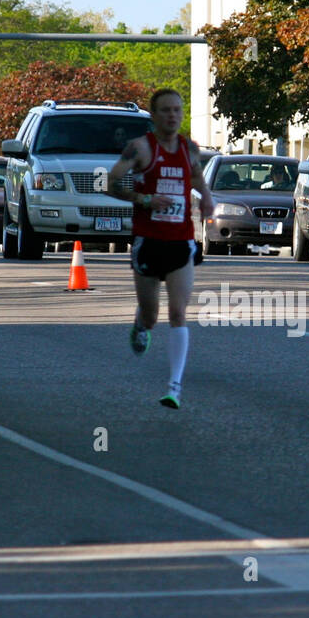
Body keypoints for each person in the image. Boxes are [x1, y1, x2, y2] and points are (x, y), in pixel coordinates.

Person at [107, 88, 214, 409]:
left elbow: (196, 177)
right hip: (148, 240)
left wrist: (207, 198)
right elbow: (111, 183)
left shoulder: (189, 149)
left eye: (178, 110)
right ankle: (141, 325)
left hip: (181, 241)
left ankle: (174, 387)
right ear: (153, 116)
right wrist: (144, 199)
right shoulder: (139, 148)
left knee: (178, 313)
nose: (173, 115)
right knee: (152, 315)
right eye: (166, 110)